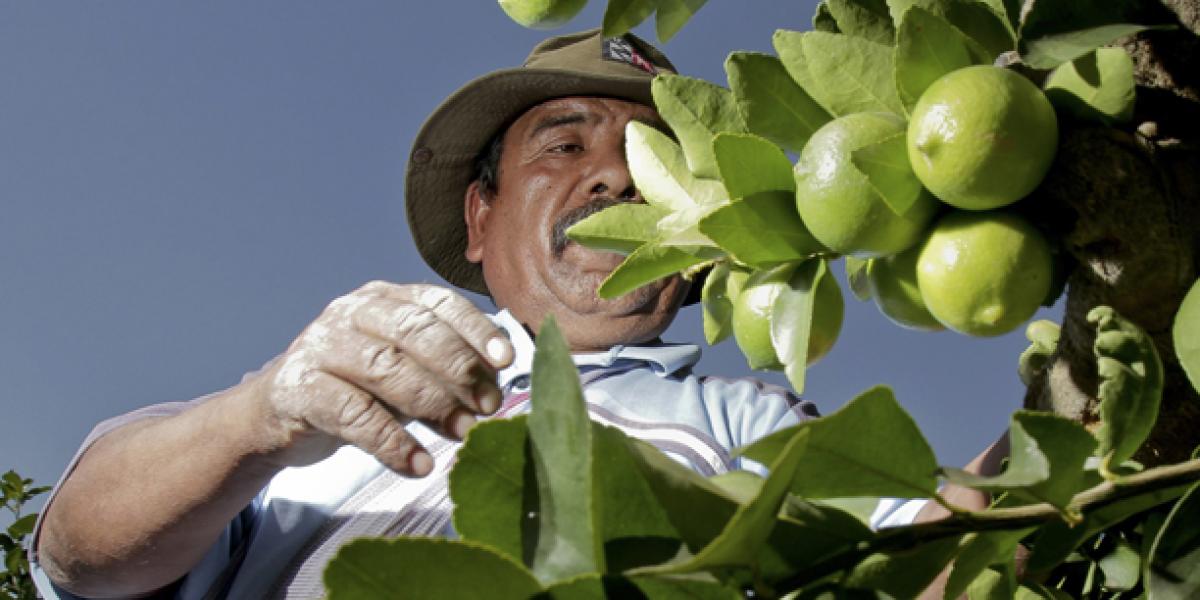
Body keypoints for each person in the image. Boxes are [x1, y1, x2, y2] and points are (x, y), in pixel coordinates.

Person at [30, 29, 999, 599]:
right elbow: (81, 554)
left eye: (653, 160)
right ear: (480, 214)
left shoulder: (745, 418)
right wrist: (262, 412)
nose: (614, 175)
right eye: (564, 146)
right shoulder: (342, 394)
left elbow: (937, 550)